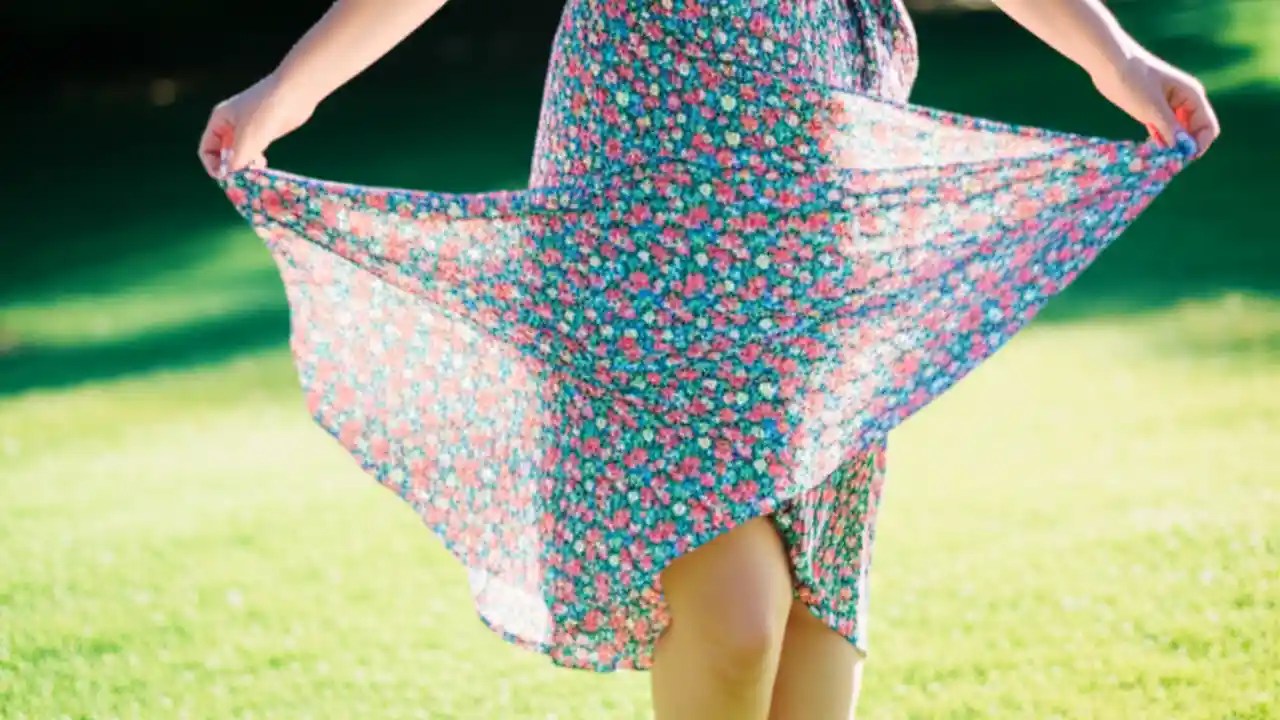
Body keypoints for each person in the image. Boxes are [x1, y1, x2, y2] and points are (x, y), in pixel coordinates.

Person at [198, 1, 1218, 718]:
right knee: (736, 625)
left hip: (809, 226)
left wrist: (1116, 61)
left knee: (815, 635)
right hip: (638, 224)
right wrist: (292, 90)